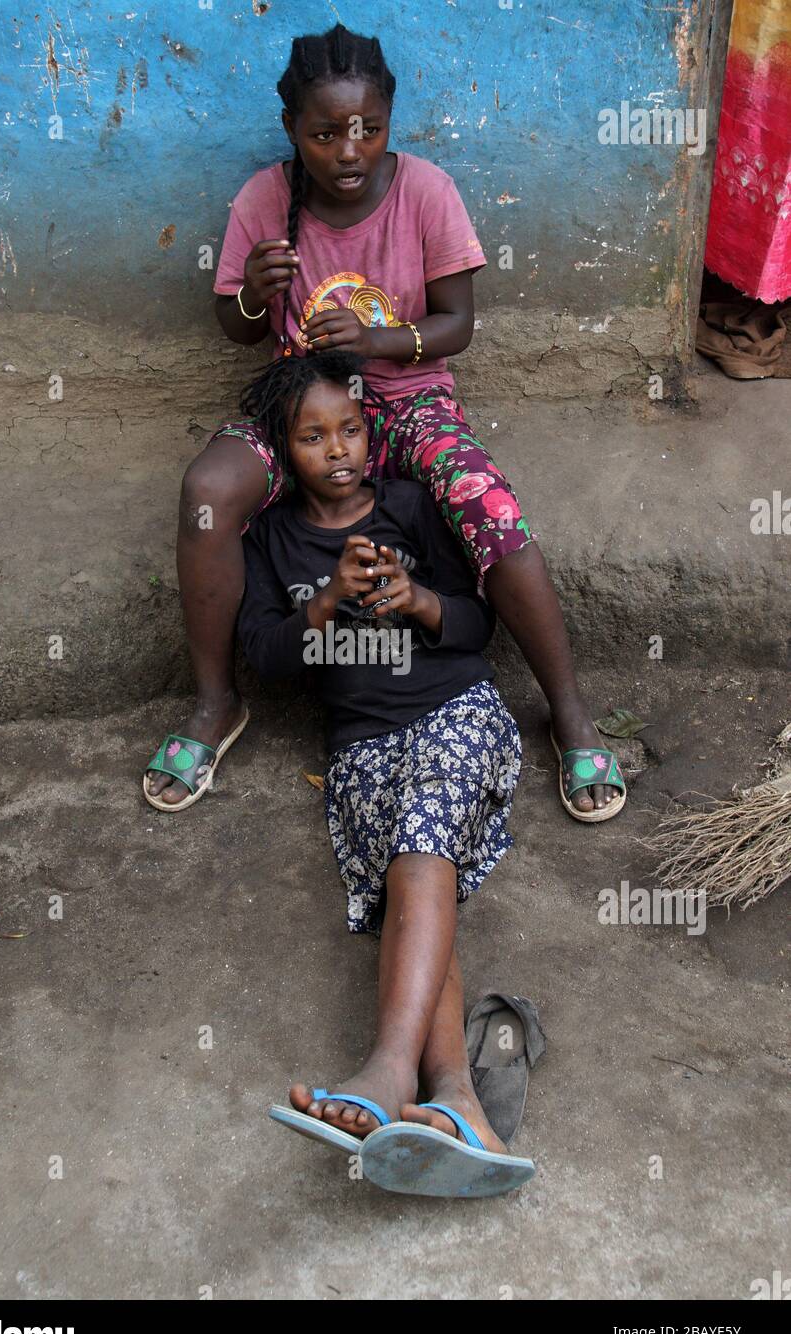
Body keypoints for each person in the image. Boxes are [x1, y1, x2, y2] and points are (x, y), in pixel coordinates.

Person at [143, 22, 625, 826]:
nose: (348, 149)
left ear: (389, 121)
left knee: (489, 507)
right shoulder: (265, 198)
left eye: (368, 128)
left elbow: (456, 323)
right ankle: (216, 703)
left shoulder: (426, 191)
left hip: (410, 396)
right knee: (206, 489)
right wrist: (255, 296)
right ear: (293, 129)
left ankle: (569, 711)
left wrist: (377, 343)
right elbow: (234, 324)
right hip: (301, 403)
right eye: (325, 133)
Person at [235, 349, 535, 1196]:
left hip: (455, 714)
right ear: (282, 451)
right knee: (411, 887)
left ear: (373, 434)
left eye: (351, 429)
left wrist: (421, 600)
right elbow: (265, 656)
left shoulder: (407, 505)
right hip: (363, 745)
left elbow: (477, 625)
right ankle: (459, 1103)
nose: (337, 450)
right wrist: (326, 601)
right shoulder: (273, 539)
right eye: (311, 437)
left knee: (425, 832)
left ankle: (387, 1071)